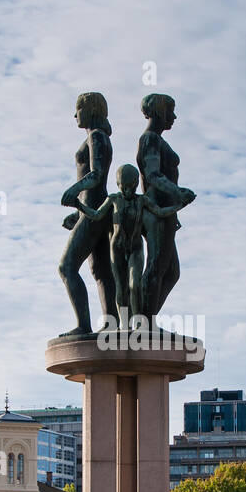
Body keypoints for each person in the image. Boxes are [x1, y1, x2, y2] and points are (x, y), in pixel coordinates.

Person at [72, 163, 192, 327]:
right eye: (124, 187)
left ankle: (138, 323)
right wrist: (77, 205)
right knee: (121, 289)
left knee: (134, 285)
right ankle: (125, 325)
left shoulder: (142, 200)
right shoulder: (113, 199)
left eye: (131, 187)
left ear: (136, 184)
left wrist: (181, 205)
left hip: (135, 248)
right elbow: (97, 214)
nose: (128, 191)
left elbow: (160, 212)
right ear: (117, 185)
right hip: (118, 249)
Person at [58, 91, 117, 335]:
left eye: (78, 109)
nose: (75, 115)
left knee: (67, 267)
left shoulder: (97, 137)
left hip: (93, 209)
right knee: (101, 270)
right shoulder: (97, 137)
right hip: (92, 208)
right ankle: (111, 324)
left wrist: (75, 190)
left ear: (91, 109)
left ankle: (83, 325)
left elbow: (97, 175)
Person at [137, 93, 195, 316]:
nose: (174, 116)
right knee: (157, 267)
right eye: (170, 111)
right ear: (159, 111)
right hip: (157, 211)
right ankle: (143, 323)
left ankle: (144, 319)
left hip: (166, 211)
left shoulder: (157, 140)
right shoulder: (150, 138)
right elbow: (152, 175)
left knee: (170, 271)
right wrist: (177, 192)